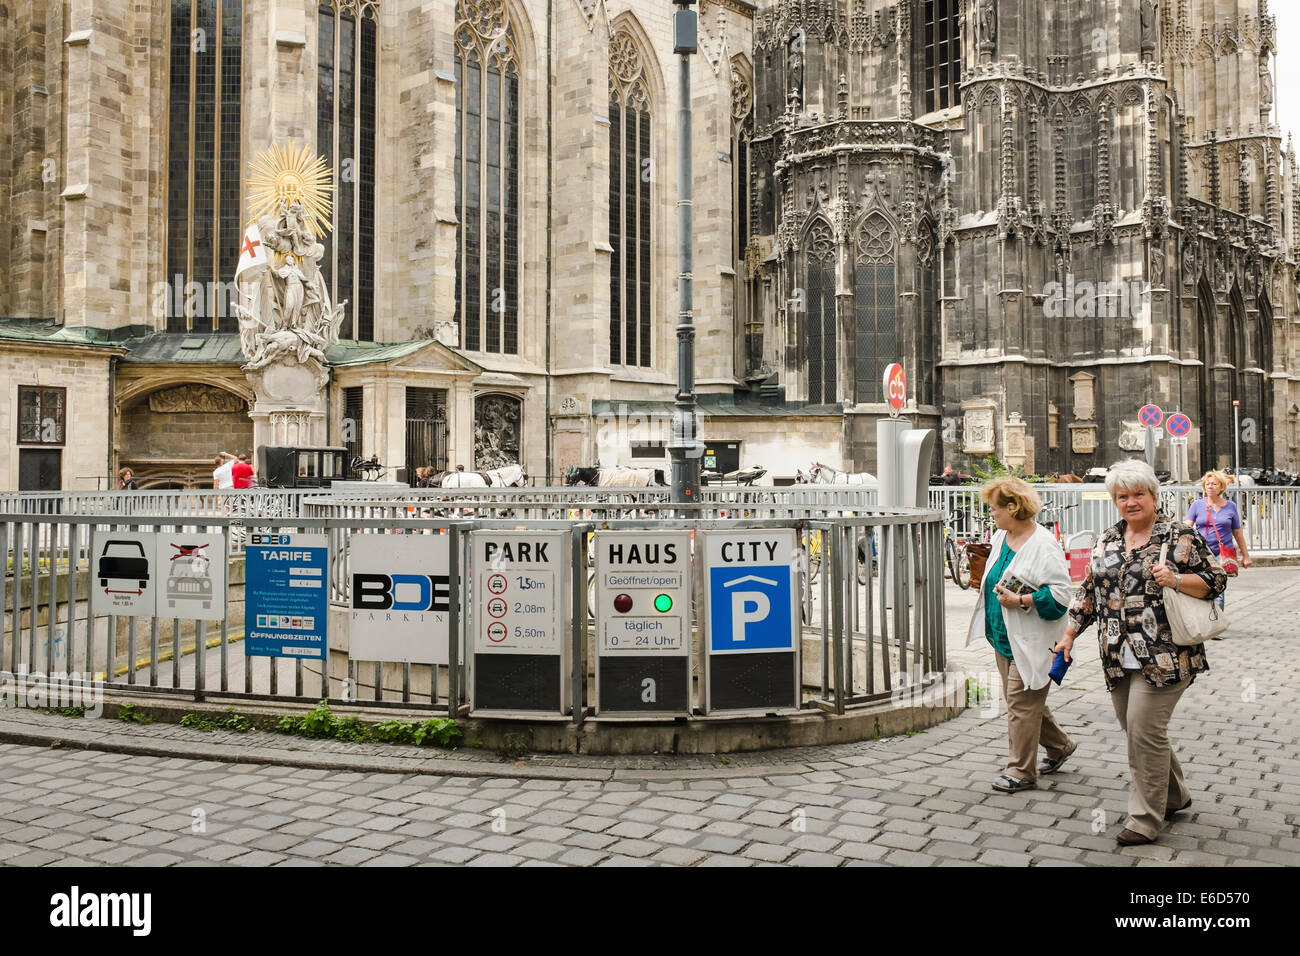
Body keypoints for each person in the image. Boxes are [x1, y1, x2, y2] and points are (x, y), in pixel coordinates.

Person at [1056, 460, 1225, 846]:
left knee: (1144, 734)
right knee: (1138, 732)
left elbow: (1215, 579)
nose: (1130, 502)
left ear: (1153, 495)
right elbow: (1088, 593)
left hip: (1166, 656)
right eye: (1122, 496)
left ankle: (1146, 819)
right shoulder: (1108, 539)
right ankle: (1175, 795)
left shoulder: (1178, 534)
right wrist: (1068, 635)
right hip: (1117, 655)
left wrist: (1177, 579)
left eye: (1138, 494)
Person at [966, 477, 1076, 792]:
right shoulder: (1003, 535)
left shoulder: (1043, 544)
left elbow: (1061, 596)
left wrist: (1022, 601)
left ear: (1013, 507)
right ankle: (1060, 746)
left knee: (1020, 702)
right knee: (1026, 703)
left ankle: (1021, 771)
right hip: (1003, 637)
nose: (991, 514)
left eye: (994, 508)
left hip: (1032, 639)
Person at [1185, 470, 1251, 610]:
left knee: (1218, 589)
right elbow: (1186, 528)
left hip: (1222, 553)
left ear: (1221, 487)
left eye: (1214, 484)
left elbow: (1237, 533)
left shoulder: (1230, 506)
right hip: (1202, 553)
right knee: (1202, 586)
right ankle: (1205, 618)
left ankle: (1216, 624)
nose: (1210, 487)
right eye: (1207, 484)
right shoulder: (1197, 505)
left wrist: (1245, 556)